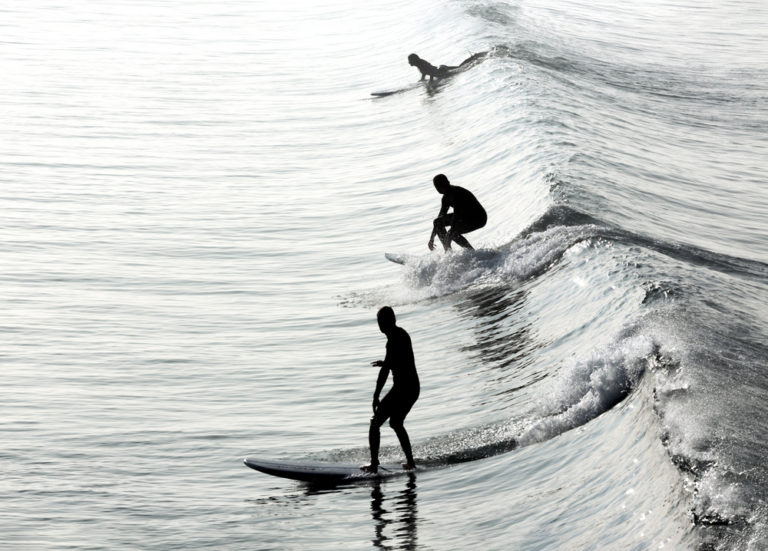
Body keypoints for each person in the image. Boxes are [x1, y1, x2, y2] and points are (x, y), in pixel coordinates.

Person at [362, 306, 420, 473]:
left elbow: (398, 364)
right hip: (410, 388)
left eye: (382, 321)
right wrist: (376, 394)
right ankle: (410, 462)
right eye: (379, 322)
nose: (380, 325)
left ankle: (374, 465)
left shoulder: (399, 337)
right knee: (395, 422)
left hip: (406, 388)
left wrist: (385, 364)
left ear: (389, 322)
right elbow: (386, 369)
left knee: (375, 423)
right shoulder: (393, 338)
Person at [428, 174, 487, 251]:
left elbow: (457, 215)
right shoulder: (445, 198)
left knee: (452, 233)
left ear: (448, 182)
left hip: (478, 218)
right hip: (465, 216)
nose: (438, 188)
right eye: (436, 186)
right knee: (438, 222)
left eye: (439, 185)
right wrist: (432, 239)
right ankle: (448, 251)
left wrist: (450, 235)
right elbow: (439, 220)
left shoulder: (456, 193)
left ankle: (471, 251)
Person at [407, 52, 487, 81]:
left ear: (414, 60)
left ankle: (474, 58)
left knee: (462, 68)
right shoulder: (420, 64)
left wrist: (431, 82)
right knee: (460, 67)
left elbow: (430, 72)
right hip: (440, 68)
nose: (409, 62)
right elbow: (425, 73)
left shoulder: (421, 64)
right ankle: (474, 57)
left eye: (410, 60)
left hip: (442, 71)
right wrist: (422, 80)